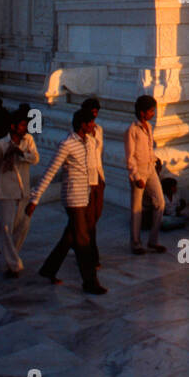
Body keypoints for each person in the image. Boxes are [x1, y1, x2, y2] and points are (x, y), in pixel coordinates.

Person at [26, 110, 106, 294]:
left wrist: (97, 187)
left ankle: (49, 269)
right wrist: (35, 198)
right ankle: (90, 281)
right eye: (91, 122)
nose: (94, 125)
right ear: (83, 125)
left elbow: (93, 167)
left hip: (86, 195)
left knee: (70, 236)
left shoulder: (91, 142)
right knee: (83, 240)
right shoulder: (66, 145)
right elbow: (51, 171)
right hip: (73, 197)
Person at [0, 109, 39, 277]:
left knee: (23, 225)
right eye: (23, 125)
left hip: (24, 189)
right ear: (13, 126)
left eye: (26, 125)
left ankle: (10, 255)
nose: (25, 128)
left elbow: (36, 158)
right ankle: (14, 265)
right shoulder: (1, 144)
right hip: (7, 190)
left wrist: (21, 153)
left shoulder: (28, 141)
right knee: (6, 227)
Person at [124, 95, 165, 255]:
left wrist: (155, 160)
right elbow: (130, 157)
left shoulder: (148, 127)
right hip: (138, 172)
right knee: (136, 209)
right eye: (151, 111)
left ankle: (153, 241)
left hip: (150, 168)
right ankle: (136, 243)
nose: (153, 113)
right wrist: (135, 177)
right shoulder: (131, 131)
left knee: (160, 203)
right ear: (142, 113)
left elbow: (148, 149)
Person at [82, 97, 105, 268]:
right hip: (86, 181)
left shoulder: (99, 129)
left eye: (96, 111)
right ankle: (91, 255)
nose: (94, 114)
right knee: (89, 221)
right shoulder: (80, 132)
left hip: (99, 176)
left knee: (95, 216)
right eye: (92, 110)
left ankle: (79, 243)